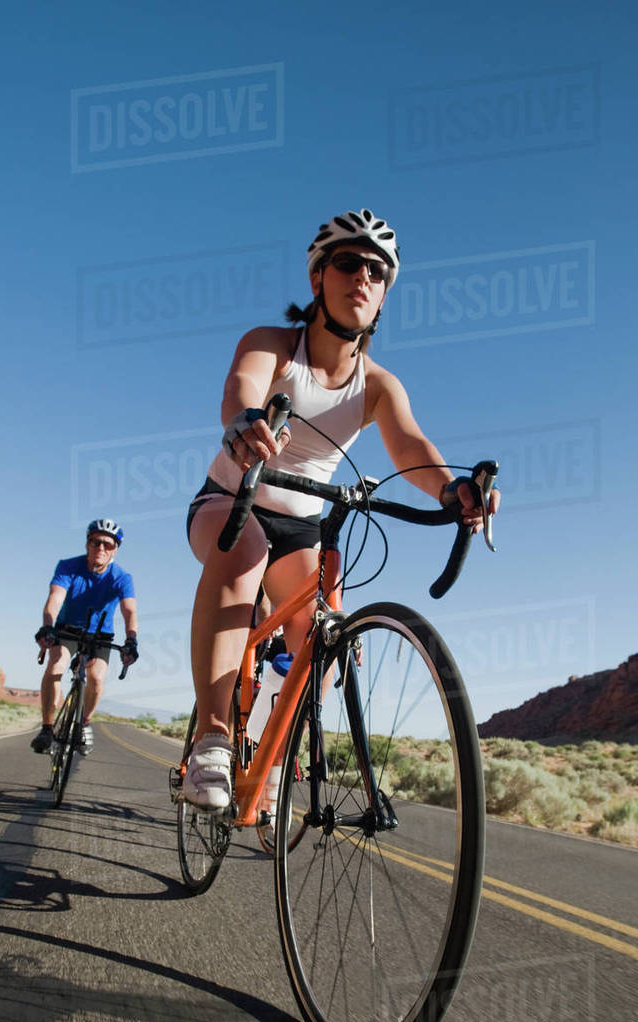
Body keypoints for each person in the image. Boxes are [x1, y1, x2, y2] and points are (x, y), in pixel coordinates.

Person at [184, 207, 500, 810]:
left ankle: (274, 742)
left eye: (378, 272)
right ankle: (213, 740)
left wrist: (451, 490)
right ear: (317, 279)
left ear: (383, 297)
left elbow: (410, 445)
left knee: (325, 636)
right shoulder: (273, 345)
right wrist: (245, 421)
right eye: (349, 263)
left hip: (304, 526)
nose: (363, 277)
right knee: (243, 550)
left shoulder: (379, 385)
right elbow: (242, 388)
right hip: (231, 499)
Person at [30, 519, 139, 756]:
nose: (101, 549)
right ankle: (47, 728)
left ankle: (84, 723)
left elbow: (129, 611)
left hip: (100, 634)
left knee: (97, 678)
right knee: (56, 666)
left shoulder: (121, 577)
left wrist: (131, 640)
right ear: (87, 544)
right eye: (96, 542)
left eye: (108, 545)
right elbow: (55, 599)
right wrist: (47, 626)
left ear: (115, 550)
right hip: (68, 629)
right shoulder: (69, 567)